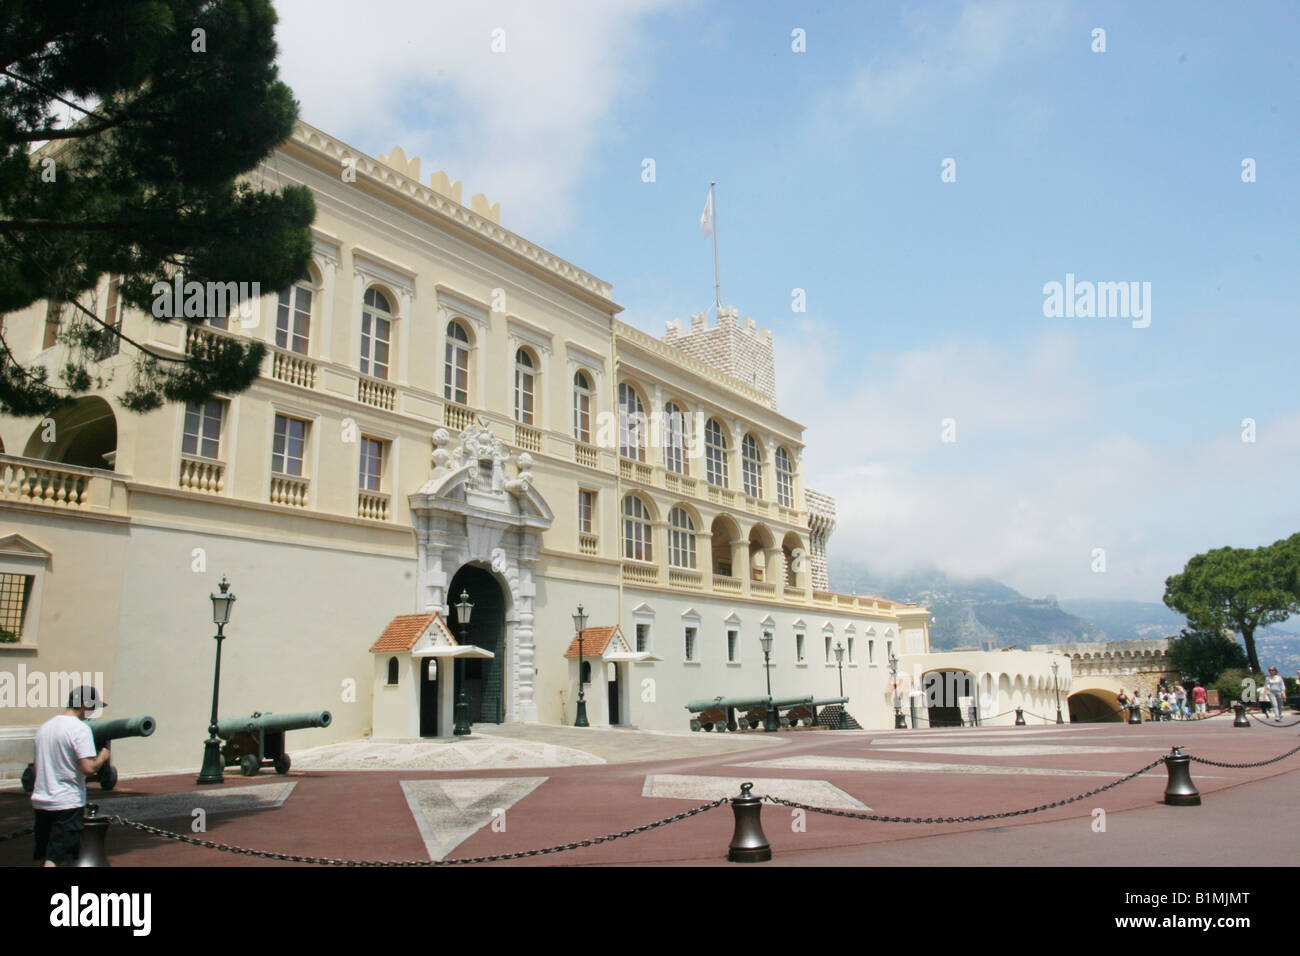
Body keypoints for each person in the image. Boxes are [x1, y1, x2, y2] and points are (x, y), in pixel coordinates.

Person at [30, 686, 111, 867]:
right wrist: (103, 756)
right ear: (84, 704)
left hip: (42, 799)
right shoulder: (80, 729)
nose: (93, 712)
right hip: (66, 801)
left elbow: (36, 768)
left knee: (45, 854)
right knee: (58, 858)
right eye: (93, 706)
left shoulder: (44, 728)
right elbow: (88, 768)